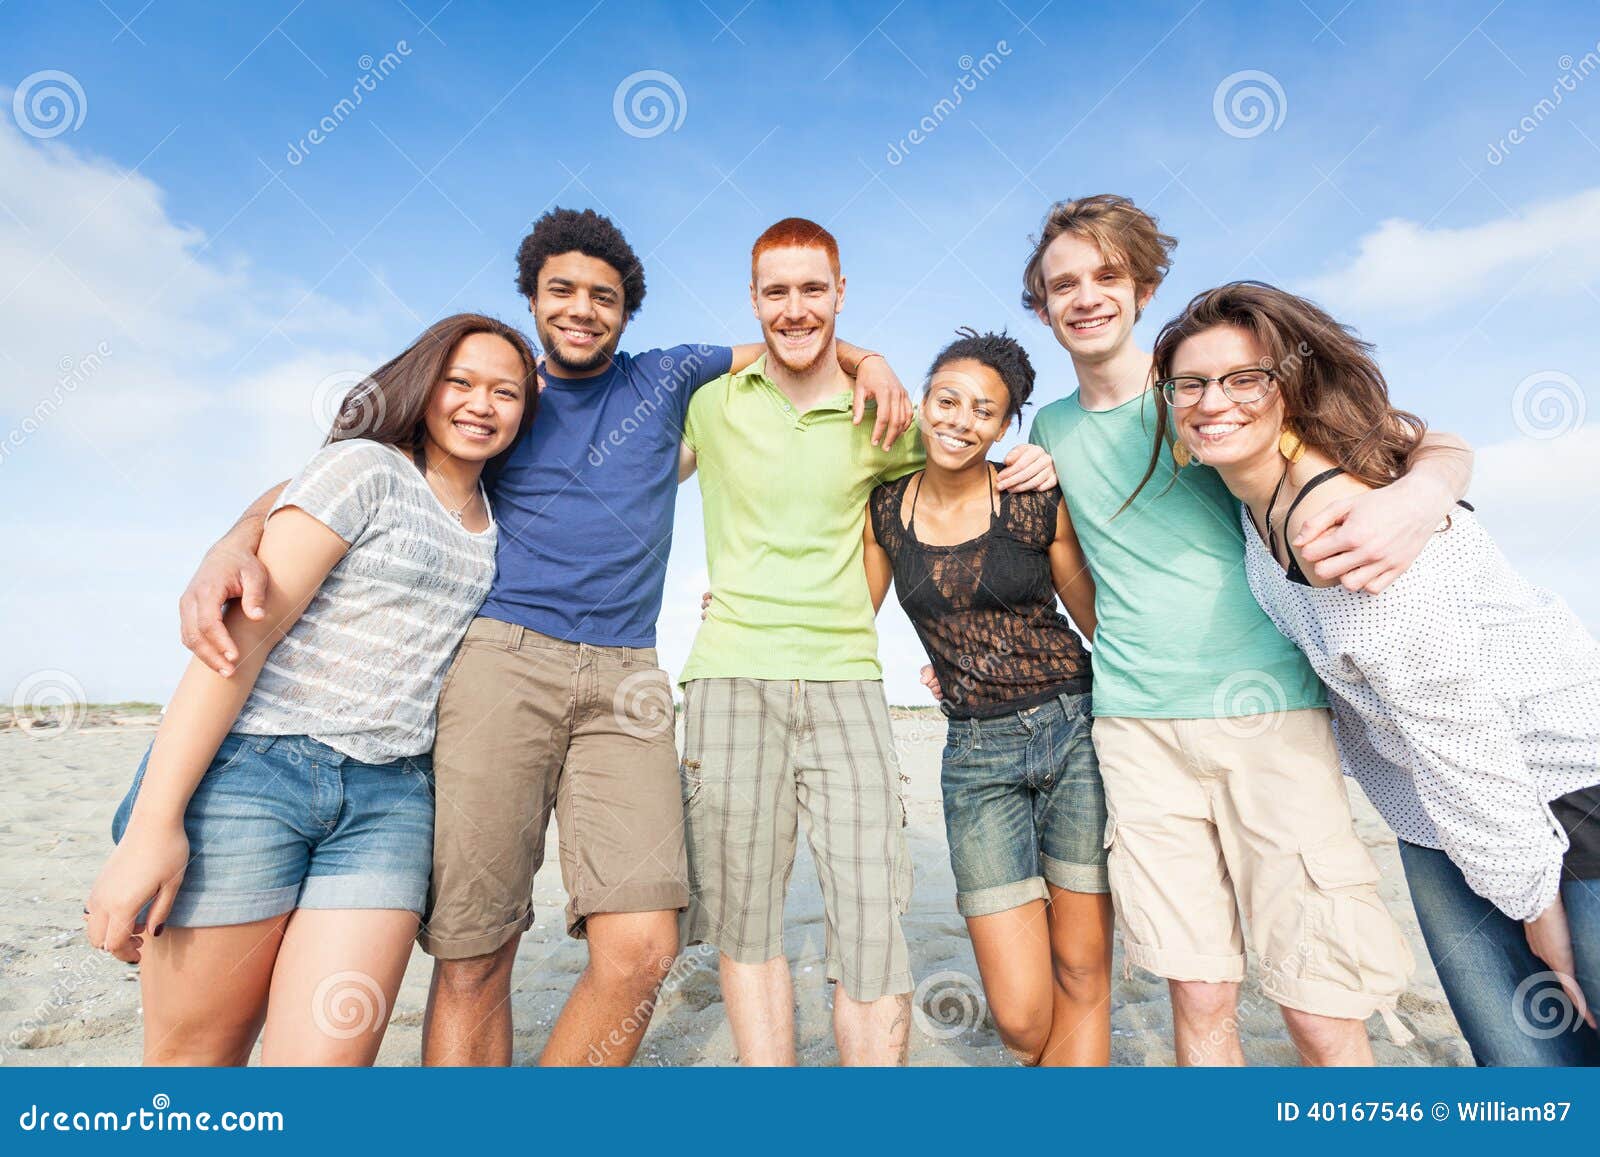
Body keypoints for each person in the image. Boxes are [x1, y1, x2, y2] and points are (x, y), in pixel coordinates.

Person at [173, 208, 916, 1067]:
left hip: (629, 678)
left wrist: (876, 358)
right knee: (475, 950)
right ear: (531, 299)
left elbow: (799, 340)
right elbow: (345, 468)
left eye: (603, 296)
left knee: (643, 948)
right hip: (501, 663)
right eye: (561, 290)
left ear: (627, 311)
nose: (582, 308)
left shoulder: (669, 376)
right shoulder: (503, 398)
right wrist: (236, 537)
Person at [1019, 194, 1478, 1064]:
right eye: (1062, 284)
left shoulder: (1211, 399)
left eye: (1106, 276)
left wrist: (1418, 501)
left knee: (1319, 1000)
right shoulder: (1050, 427)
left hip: (1271, 715)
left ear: (1144, 288)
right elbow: (1076, 566)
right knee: (1199, 993)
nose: (1085, 297)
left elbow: (1428, 441)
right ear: (1041, 307)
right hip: (1137, 726)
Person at [1150, 279, 1600, 1066]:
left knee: (1562, 1037)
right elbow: (1434, 437)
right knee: (1526, 1072)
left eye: (1243, 377)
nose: (1212, 400)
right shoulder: (1260, 491)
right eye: (1191, 383)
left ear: (1289, 387)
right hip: (1438, 813)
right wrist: (1431, 481)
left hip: (1560, 785)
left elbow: (1458, 729)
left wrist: (1537, 908)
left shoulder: (1342, 533)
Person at [84, 314, 537, 1065]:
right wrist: (152, 827)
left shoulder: (502, 515)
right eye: (460, 381)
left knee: (323, 1072)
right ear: (425, 385)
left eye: (506, 392)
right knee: (198, 1059)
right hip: (256, 775)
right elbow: (241, 643)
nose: (480, 404)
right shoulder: (365, 468)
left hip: (392, 801)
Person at [678, 219, 1060, 1065]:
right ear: (753, 299)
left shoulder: (885, 413)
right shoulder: (710, 402)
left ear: (840, 294)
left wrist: (1044, 461)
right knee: (745, 918)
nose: (795, 307)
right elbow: (615, 480)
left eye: (813, 289)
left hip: (848, 679)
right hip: (729, 676)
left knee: (868, 919)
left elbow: (972, 456)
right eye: (775, 291)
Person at [864, 329, 1112, 1065]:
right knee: (1023, 1016)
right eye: (948, 400)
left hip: (1075, 731)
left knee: (1082, 967)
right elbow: (843, 619)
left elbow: (1097, 618)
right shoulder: (885, 512)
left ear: (1005, 426)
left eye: (985, 411)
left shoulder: (1034, 498)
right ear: (924, 401)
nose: (961, 420)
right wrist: (747, 607)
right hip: (975, 755)